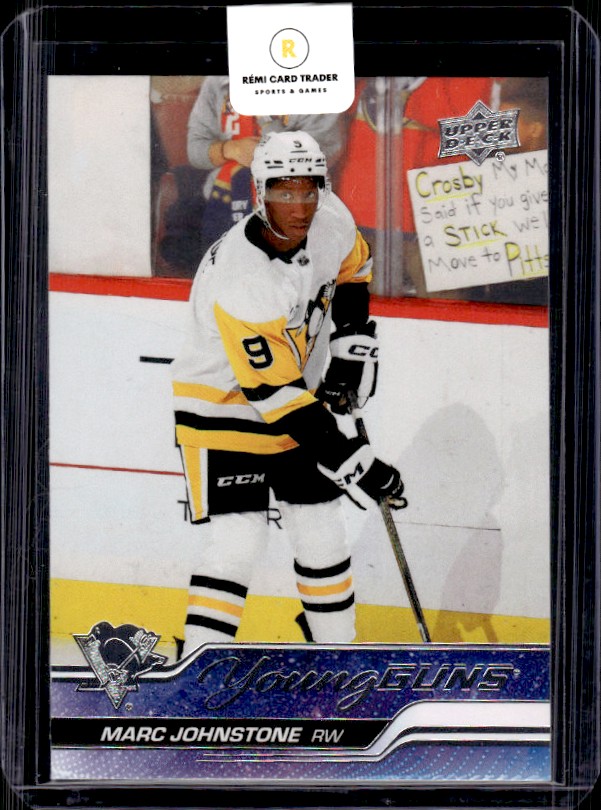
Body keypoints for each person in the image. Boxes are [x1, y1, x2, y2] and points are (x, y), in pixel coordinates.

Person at [170, 130, 405, 652]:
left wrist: (350, 342)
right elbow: (275, 399)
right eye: (283, 191)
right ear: (260, 193)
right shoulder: (243, 276)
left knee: (321, 530)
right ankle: (198, 663)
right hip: (223, 408)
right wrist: (358, 464)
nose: (299, 205)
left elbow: (354, 268)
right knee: (238, 540)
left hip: (293, 396)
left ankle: (336, 655)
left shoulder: (332, 219)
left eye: (308, 189)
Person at [186, 76, 346, 252]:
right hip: (222, 204)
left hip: (294, 206)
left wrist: (271, 145)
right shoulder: (217, 82)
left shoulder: (312, 81)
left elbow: (325, 150)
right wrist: (231, 149)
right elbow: (195, 149)